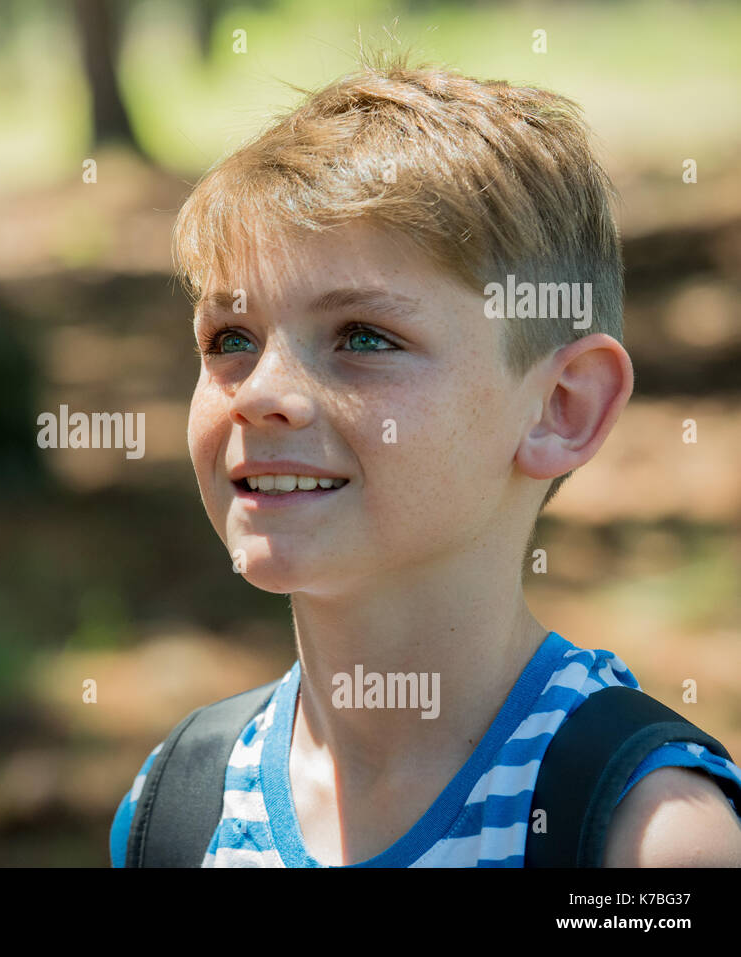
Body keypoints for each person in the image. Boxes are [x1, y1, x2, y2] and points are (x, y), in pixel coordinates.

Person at [110, 52, 741, 867]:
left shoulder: (640, 835)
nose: (262, 392)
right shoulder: (178, 808)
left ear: (563, 407)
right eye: (231, 339)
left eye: (364, 337)